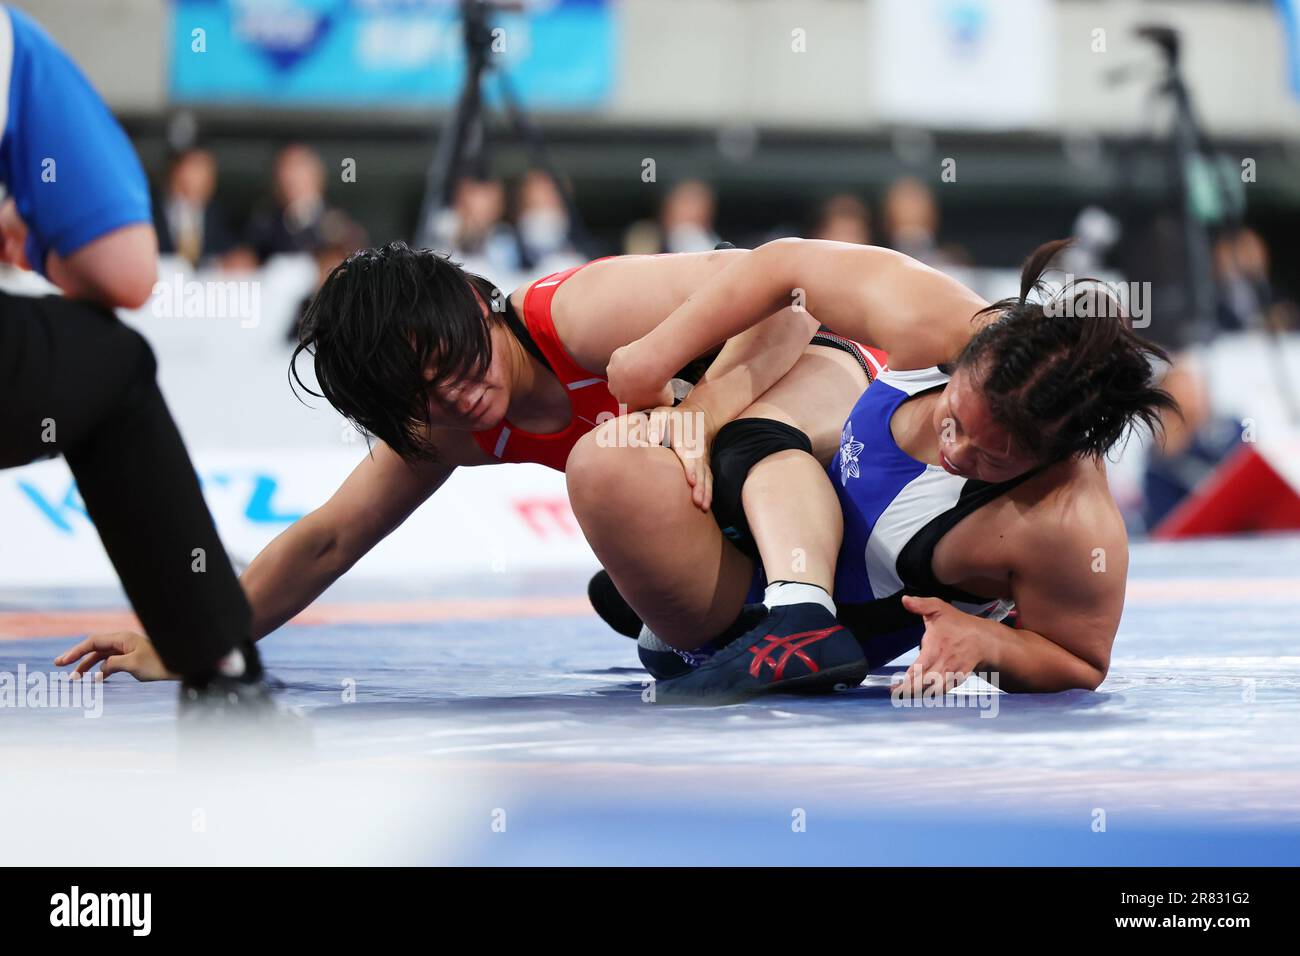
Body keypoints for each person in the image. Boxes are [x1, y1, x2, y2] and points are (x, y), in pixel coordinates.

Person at [56, 241, 888, 680]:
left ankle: (797, 612)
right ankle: (723, 623)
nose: (457, 398)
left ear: (470, 303)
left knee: (681, 448)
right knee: (617, 471)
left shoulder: (579, 313)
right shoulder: (445, 426)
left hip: (831, 406)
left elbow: (789, 297)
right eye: (421, 396)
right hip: (750, 513)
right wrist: (196, 643)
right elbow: (330, 537)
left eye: (454, 362)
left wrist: (702, 416)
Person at [576, 237, 1176, 702]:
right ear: (972, 354)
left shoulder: (1069, 523)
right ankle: (708, 568)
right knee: (786, 384)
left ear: (1053, 452)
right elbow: (783, 266)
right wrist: (657, 361)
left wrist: (990, 644)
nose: (958, 453)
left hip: (795, 621)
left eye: (994, 458)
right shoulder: (940, 318)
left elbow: (1082, 662)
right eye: (955, 419)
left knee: (607, 469)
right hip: (781, 510)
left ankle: (780, 617)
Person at [0, 5, 267, 708]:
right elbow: (126, 274)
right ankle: (219, 666)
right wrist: (28, 242)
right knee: (114, 365)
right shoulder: (14, 43)